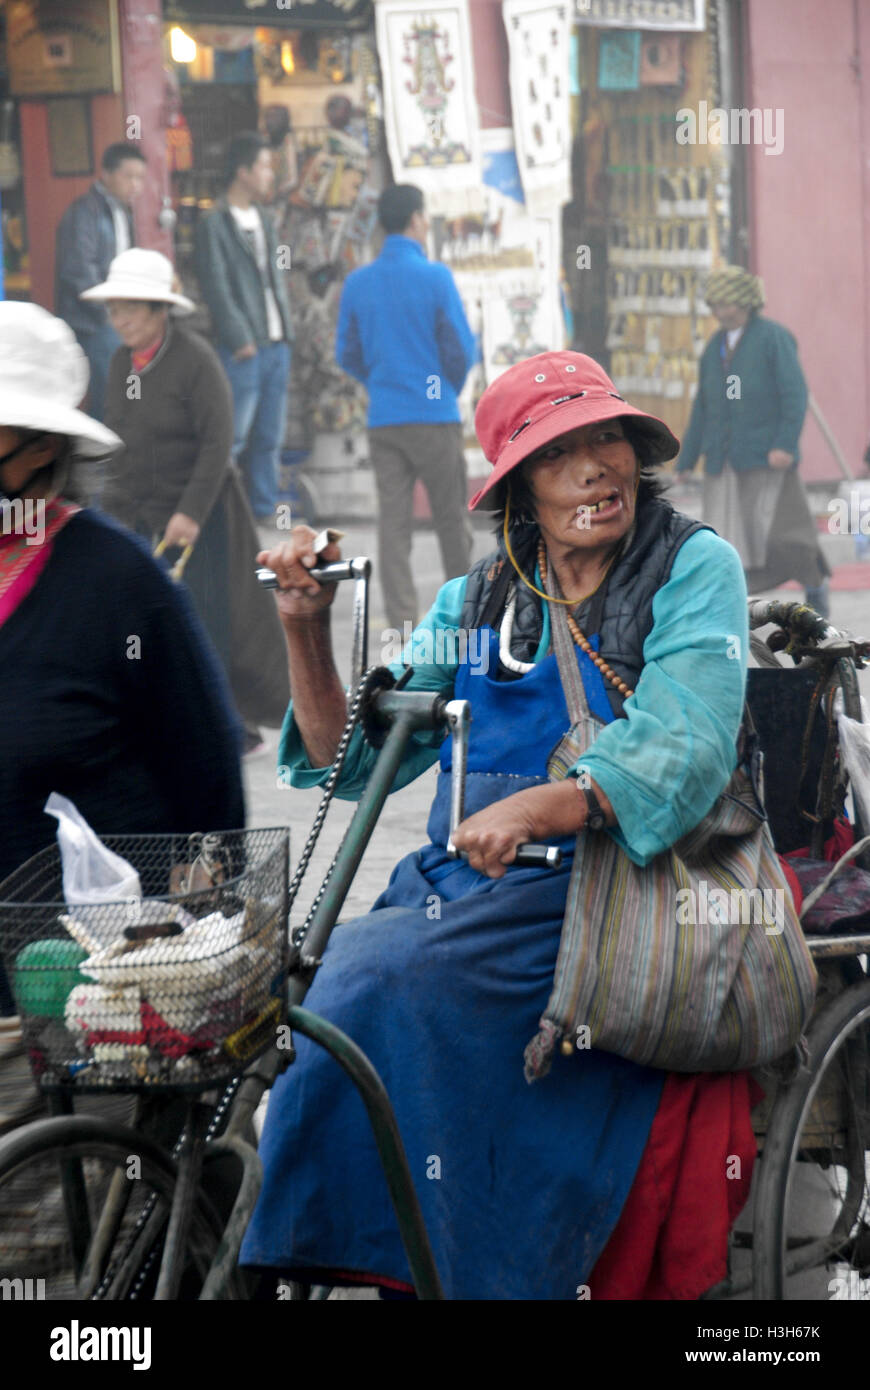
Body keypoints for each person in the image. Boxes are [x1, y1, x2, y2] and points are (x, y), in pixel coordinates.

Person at [241, 350, 759, 1300]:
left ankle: (466, 1263)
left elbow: (684, 747)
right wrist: (304, 627)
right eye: (562, 453)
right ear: (520, 485)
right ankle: (347, 1249)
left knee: (377, 980)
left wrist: (540, 806)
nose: (595, 468)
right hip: (466, 892)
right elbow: (355, 758)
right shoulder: (477, 599)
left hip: (608, 885)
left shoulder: (693, 566)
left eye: (608, 441)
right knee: (321, 987)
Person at [0, 302, 245, 1115]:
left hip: (87, 991)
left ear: (40, 450)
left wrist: (191, 955)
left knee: (87, 1211)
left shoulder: (116, 580)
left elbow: (207, 772)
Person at [81, 248, 290, 754]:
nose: (121, 319)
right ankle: (162, 718)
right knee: (143, 621)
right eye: (115, 309)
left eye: (132, 308)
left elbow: (219, 444)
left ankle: (224, 724)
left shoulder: (195, 359)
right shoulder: (119, 363)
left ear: (160, 310)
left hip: (206, 515)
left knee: (211, 620)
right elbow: (118, 434)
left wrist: (191, 513)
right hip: (141, 515)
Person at [335, 183, 478, 633]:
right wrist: (442, 390)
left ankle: (401, 622)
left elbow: (347, 352)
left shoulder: (358, 282)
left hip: (386, 418)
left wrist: (381, 382)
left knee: (393, 526)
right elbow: (462, 348)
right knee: (450, 520)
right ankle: (462, 616)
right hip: (434, 417)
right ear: (416, 220)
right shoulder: (436, 277)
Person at [676, 264, 831, 617]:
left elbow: (794, 394)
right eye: (713, 302)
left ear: (744, 304)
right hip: (724, 458)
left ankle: (815, 586)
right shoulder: (715, 346)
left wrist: (785, 445)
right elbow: (703, 405)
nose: (716, 309)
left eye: (724, 302)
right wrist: (686, 460)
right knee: (729, 535)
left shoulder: (773, 338)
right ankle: (735, 606)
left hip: (766, 455)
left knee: (785, 533)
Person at [194, 132, 293, 522]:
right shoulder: (214, 223)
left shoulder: (266, 220)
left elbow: (275, 280)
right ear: (244, 171)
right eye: (265, 166)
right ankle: (221, 513)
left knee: (269, 435)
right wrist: (240, 338)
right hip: (244, 346)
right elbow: (215, 284)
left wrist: (285, 332)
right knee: (232, 436)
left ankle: (264, 508)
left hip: (275, 340)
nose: (270, 174)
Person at [53, 142, 146, 422]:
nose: (136, 185)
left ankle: (111, 460)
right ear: (106, 174)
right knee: (111, 398)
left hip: (117, 320)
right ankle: (101, 462)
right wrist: (110, 315)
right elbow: (78, 270)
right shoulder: (85, 211)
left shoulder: (122, 212)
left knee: (119, 397)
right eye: (128, 176)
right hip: (94, 323)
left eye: (140, 178)